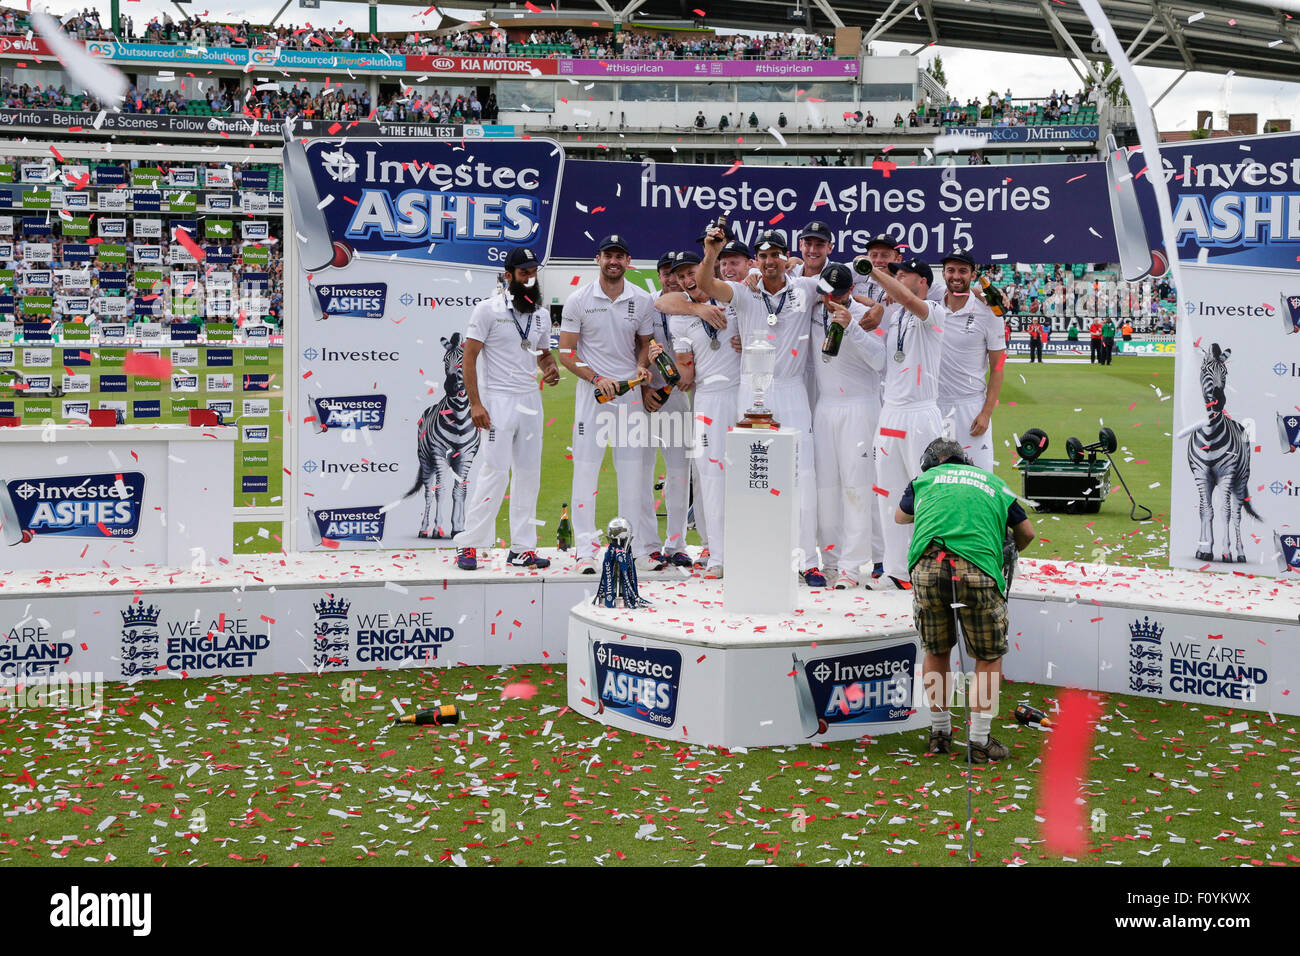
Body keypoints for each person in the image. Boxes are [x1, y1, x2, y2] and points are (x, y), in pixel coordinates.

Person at [662, 226, 827, 586]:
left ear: (785, 258)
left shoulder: (805, 287)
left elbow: (839, 284)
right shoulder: (741, 293)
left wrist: (874, 307)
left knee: (803, 474)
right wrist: (710, 251)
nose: (770, 262)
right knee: (750, 476)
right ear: (759, 259)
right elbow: (704, 285)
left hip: (791, 389)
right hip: (751, 394)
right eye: (764, 256)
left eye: (775, 255)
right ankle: (746, 552)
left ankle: (806, 559)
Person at [896, 437, 1035, 762]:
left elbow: (901, 517)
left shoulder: (923, 480)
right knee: (987, 656)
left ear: (932, 465)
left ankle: (939, 733)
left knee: (936, 649)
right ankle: (979, 740)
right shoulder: (995, 483)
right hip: (979, 569)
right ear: (965, 461)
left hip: (928, 567)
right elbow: (1026, 533)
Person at [453, 248, 559, 570]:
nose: (529, 278)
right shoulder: (487, 310)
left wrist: (550, 368)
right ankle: (469, 543)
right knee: (494, 473)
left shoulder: (540, 314)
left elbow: (542, 355)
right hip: (497, 401)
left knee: (528, 475)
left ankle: (522, 548)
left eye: (533, 272)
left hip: (529, 400)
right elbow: (468, 358)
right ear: (509, 275)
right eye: (524, 273)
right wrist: (475, 403)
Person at [558, 234, 658, 574]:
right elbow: (567, 352)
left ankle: (628, 547)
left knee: (631, 473)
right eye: (608, 255)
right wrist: (595, 378)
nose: (613, 261)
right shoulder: (579, 299)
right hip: (593, 395)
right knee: (585, 470)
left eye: (620, 255)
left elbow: (644, 343)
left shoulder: (642, 299)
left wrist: (642, 366)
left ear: (628, 261)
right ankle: (585, 550)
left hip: (628, 395)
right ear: (597, 259)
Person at [869, 256, 946, 589]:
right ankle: (896, 570)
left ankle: (928, 565)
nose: (898, 278)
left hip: (920, 413)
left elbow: (908, 300)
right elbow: (899, 301)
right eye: (896, 274)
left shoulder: (933, 312)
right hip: (891, 411)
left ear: (923, 282)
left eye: (904, 274)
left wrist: (873, 272)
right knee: (889, 495)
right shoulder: (896, 315)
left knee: (925, 494)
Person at [664, 249, 742, 578]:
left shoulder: (733, 295)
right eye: (680, 276)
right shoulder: (679, 315)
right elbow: (686, 377)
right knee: (710, 478)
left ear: (704, 268)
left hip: (744, 395)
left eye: (690, 271)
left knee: (748, 475)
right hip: (708, 398)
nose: (686, 279)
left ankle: (750, 549)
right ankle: (718, 555)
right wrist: (666, 362)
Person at [809, 262, 885, 589]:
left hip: (860, 406)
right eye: (828, 294)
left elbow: (880, 361)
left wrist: (852, 325)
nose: (833, 300)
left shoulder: (867, 317)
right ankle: (830, 560)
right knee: (826, 488)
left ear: (851, 291)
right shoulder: (813, 310)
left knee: (857, 487)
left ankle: (852, 568)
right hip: (825, 406)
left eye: (840, 294)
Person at [643, 250, 695, 569]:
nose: (672, 278)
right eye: (666, 272)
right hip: (646, 395)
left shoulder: (695, 306)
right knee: (642, 469)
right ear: (659, 275)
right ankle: (647, 542)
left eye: (677, 273)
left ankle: (677, 542)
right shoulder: (645, 304)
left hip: (678, 395)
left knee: (679, 472)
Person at [935, 249, 1004, 473]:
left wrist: (986, 413)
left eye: (963, 271)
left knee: (978, 477)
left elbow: (999, 367)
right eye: (951, 270)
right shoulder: (931, 303)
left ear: (973, 274)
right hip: (935, 407)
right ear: (943, 273)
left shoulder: (990, 312)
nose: (956, 276)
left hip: (971, 408)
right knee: (939, 479)